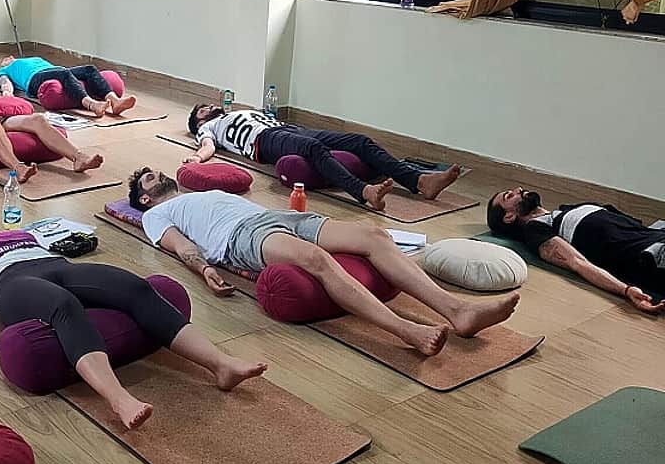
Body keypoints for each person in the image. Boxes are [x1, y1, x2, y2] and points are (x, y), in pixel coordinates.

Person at [129, 168, 520, 356]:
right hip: (238, 238)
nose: (158, 174)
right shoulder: (155, 215)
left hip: (273, 216)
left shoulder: (200, 190)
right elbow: (181, 247)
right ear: (144, 199)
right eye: (148, 178)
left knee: (374, 234)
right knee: (315, 259)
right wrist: (206, 270)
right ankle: (405, 330)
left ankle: (459, 310)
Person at [0, 212, 268, 430]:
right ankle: (119, 400)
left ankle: (221, 365)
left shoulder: (23, 233)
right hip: (12, 283)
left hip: (57, 265)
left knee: (137, 287)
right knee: (64, 305)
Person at [186, 103, 462, 211]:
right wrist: (198, 159)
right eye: (201, 110)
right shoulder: (208, 128)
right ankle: (363, 191)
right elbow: (208, 146)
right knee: (313, 149)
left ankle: (420, 181)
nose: (209, 107)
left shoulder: (237, 111)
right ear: (198, 122)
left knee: (359, 141)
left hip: (287, 128)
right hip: (264, 141)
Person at [487, 187, 665, 314]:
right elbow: (578, 263)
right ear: (509, 216)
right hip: (651, 254)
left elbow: (639, 227)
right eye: (509, 196)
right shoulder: (535, 230)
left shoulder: (567, 209)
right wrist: (626, 291)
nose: (518, 189)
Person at [0, 55, 136, 116]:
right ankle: (92, 105)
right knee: (64, 74)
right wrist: (7, 94)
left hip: (56, 70)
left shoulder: (31, 59)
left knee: (90, 69)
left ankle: (115, 102)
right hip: (34, 79)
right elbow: (5, 83)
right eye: (5, 60)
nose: (8, 58)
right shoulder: (4, 70)